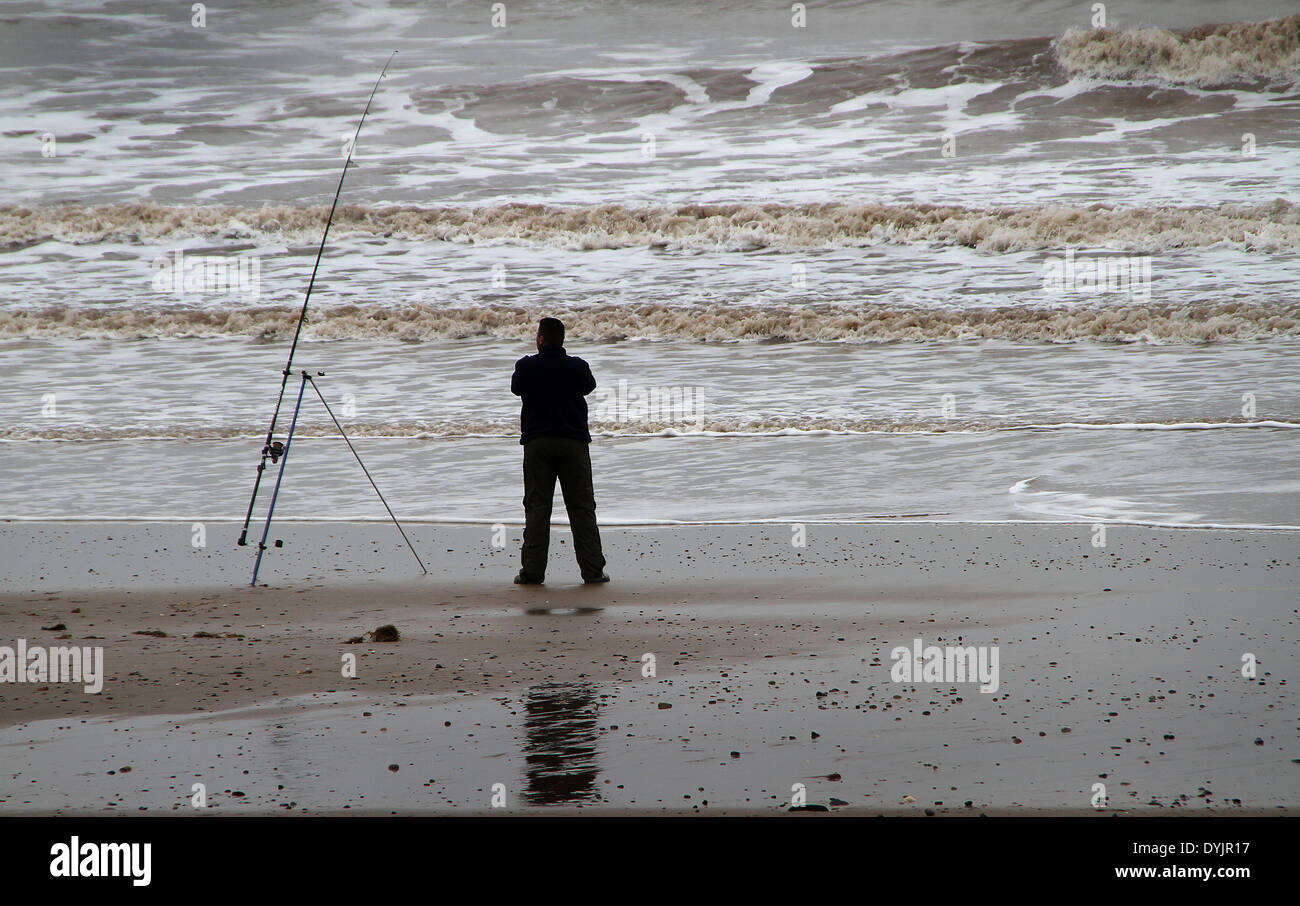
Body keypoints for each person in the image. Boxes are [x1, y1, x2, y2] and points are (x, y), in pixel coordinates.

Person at [510, 317, 609, 585]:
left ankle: (532, 571)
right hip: (573, 443)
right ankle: (592, 571)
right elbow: (589, 386)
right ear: (562, 340)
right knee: (581, 507)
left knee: (537, 507)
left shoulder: (526, 366)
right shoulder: (577, 367)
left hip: (537, 444)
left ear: (541, 339)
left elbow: (516, 388)